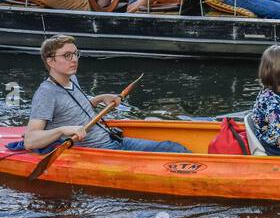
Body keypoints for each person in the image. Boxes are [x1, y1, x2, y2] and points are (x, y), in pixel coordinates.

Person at [24, 35, 188, 153]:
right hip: (101, 151)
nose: (74, 59)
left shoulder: (71, 78)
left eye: (75, 54)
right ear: (50, 61)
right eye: (67, 55)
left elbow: (73, 107)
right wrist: (62, 130)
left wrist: (100, 98)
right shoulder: (46, 94)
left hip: (112, 140)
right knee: (173, 151)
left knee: (173, 147)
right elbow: (30, 141)